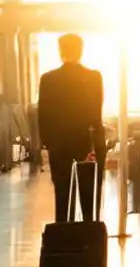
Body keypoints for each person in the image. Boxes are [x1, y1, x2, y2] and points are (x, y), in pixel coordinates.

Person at [37, 34, 104, 223]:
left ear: (60, 52)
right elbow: (96, 113)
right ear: (81, 51)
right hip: (87, 142)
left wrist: (48, 143)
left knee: (63, 197)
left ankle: (64, 241)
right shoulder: (93, 77)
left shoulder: (48, 79)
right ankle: (90, 242)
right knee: (90, 198)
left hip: (59, 144)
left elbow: (43, 114)